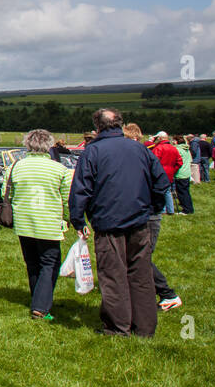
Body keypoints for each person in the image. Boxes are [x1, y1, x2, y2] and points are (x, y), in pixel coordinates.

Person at [70, 109, 171, 337]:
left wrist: (77, 219)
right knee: (140, 273)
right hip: (139, 221)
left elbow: (81, 190)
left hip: (109, 223)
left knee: (114, 275)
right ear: (120, 124)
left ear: (97, 127)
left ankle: (118, 327)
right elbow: (161, 182)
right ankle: (144, 327)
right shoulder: (139, 149)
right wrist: (152, 207)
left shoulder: (92, 152)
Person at [5, 129, 73, 321]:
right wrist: (68, 218)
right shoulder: (60, 169)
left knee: (33, 263)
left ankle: (38, 297)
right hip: (48, 223)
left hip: (24, 222)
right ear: (49, 146)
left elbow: (7, 192)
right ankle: (41, 306)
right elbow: (68, 199)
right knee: (50, 263)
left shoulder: (15, 167)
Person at [122, 125, 183, 310]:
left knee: (140, 257)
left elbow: (160, 182)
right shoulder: (146, 153)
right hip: (142, 210)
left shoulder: (146, 154)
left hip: (146, 212)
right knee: (135, 256)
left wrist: (152, 205)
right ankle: (142, 293)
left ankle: (167, 294)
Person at [149, 131, 181, 214]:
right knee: (167, 191)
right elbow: (179, 162)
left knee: (158, 191)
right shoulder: (173, 148)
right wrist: (173, 170)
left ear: (159, 138)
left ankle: (161, 210)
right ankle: (170, 210)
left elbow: (153, 161)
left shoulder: (159, 148)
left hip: (159, 172)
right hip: (170, 172)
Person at [172, 134, 193, 213]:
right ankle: (189, 207)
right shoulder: (186, 149)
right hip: (187, 172)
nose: (172, 142)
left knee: (181, 193)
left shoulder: (177, 149)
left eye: (174, 140)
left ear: (176, 142)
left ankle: (186, 210)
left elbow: (175, 161)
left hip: (180, 173)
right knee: (186, 192)